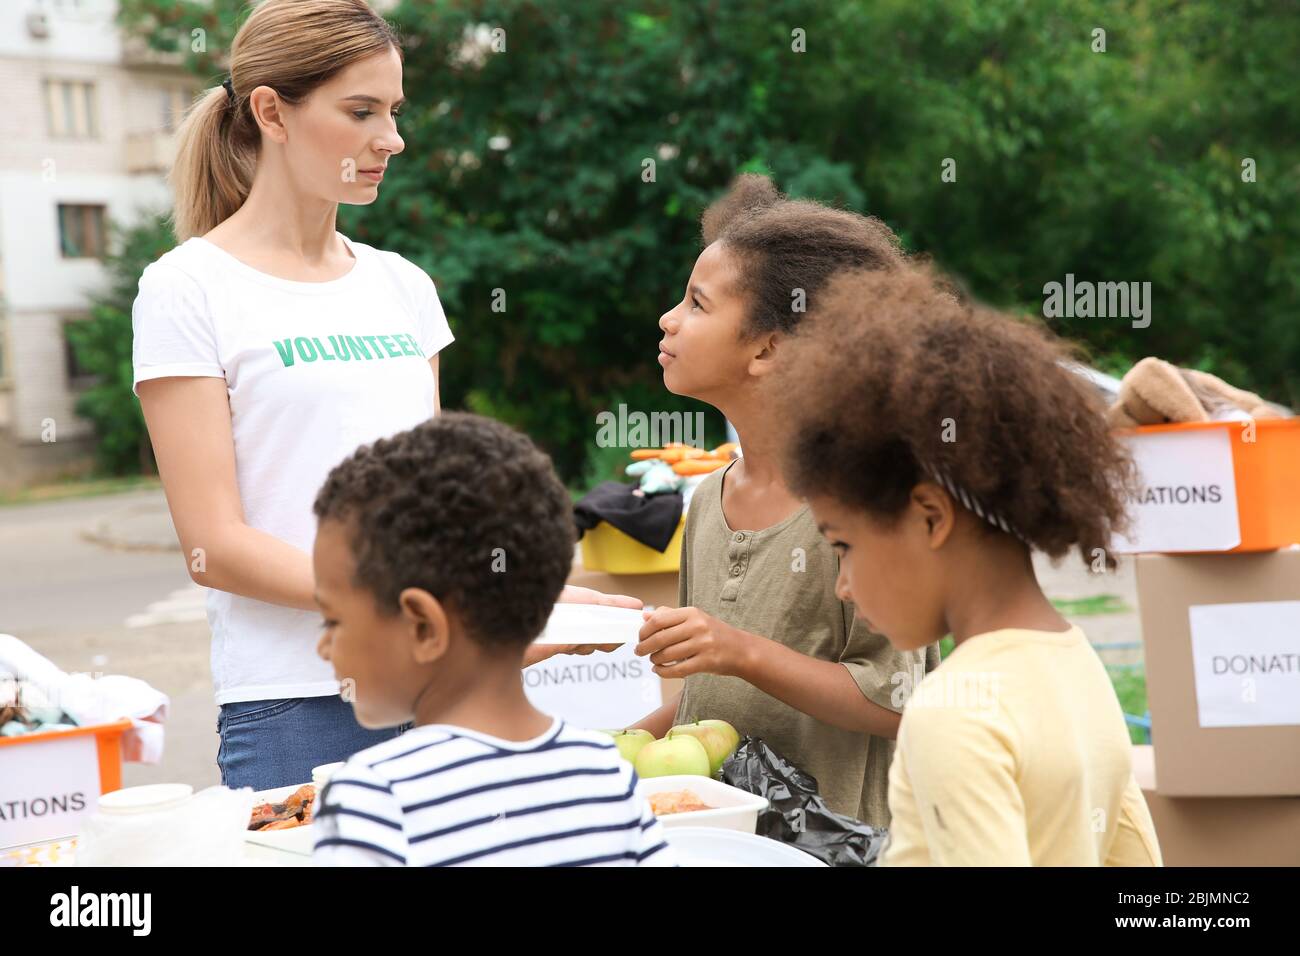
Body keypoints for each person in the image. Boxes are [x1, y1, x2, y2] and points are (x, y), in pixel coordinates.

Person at [132, 0, 627, 792]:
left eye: (393, 112)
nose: (391, 139)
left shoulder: (403, 286)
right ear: (272, 112)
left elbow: (435, 504)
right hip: (296, 703)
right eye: (361, 111)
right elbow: (214, 545)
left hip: (441, 689)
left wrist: (531, 597)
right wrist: (398, 604)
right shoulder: (188, 288)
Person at [771, 264, 1162, 866]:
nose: (844, 587)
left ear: (930, 516)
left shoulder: (950, 712)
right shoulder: (1078, 665)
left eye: (842, 544)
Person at [632, 174, 940, 827]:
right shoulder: (707, 500)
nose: (668, 318)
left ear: (769, 348)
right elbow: (707, 699)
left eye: (697, 304)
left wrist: (738, 649)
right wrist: (621, 747)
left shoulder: (863, 503)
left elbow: (897, 701)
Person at [310, 413, 674, 866]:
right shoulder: (604, 771)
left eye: (332, 621)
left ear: (423, 627)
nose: (324, 647)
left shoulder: (373, 800)